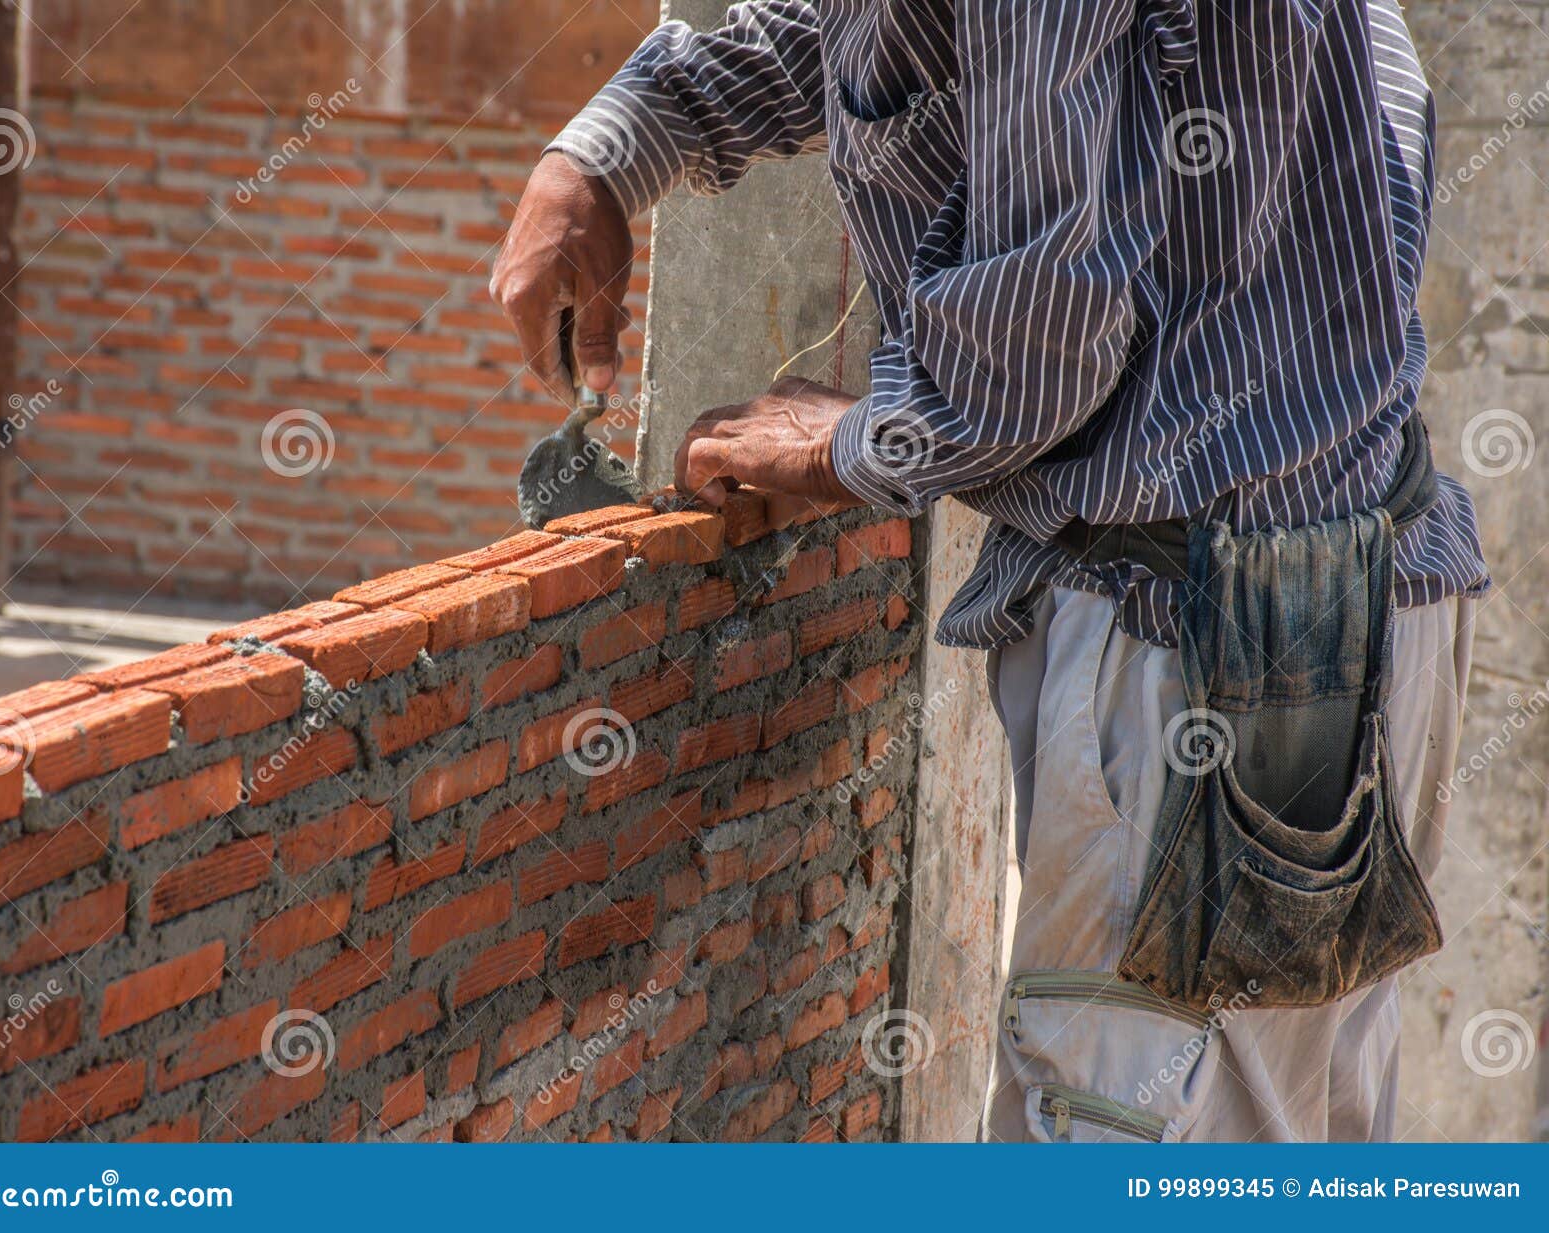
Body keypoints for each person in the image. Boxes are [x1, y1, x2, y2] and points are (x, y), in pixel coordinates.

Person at [489, 0, 1489, 1141]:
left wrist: (852, 444)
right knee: (1287, 1130)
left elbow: (1043, 328)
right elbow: (880, 35)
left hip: (1200, 652)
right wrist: (618, 143)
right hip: (1367, 577)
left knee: (1130, 1137)